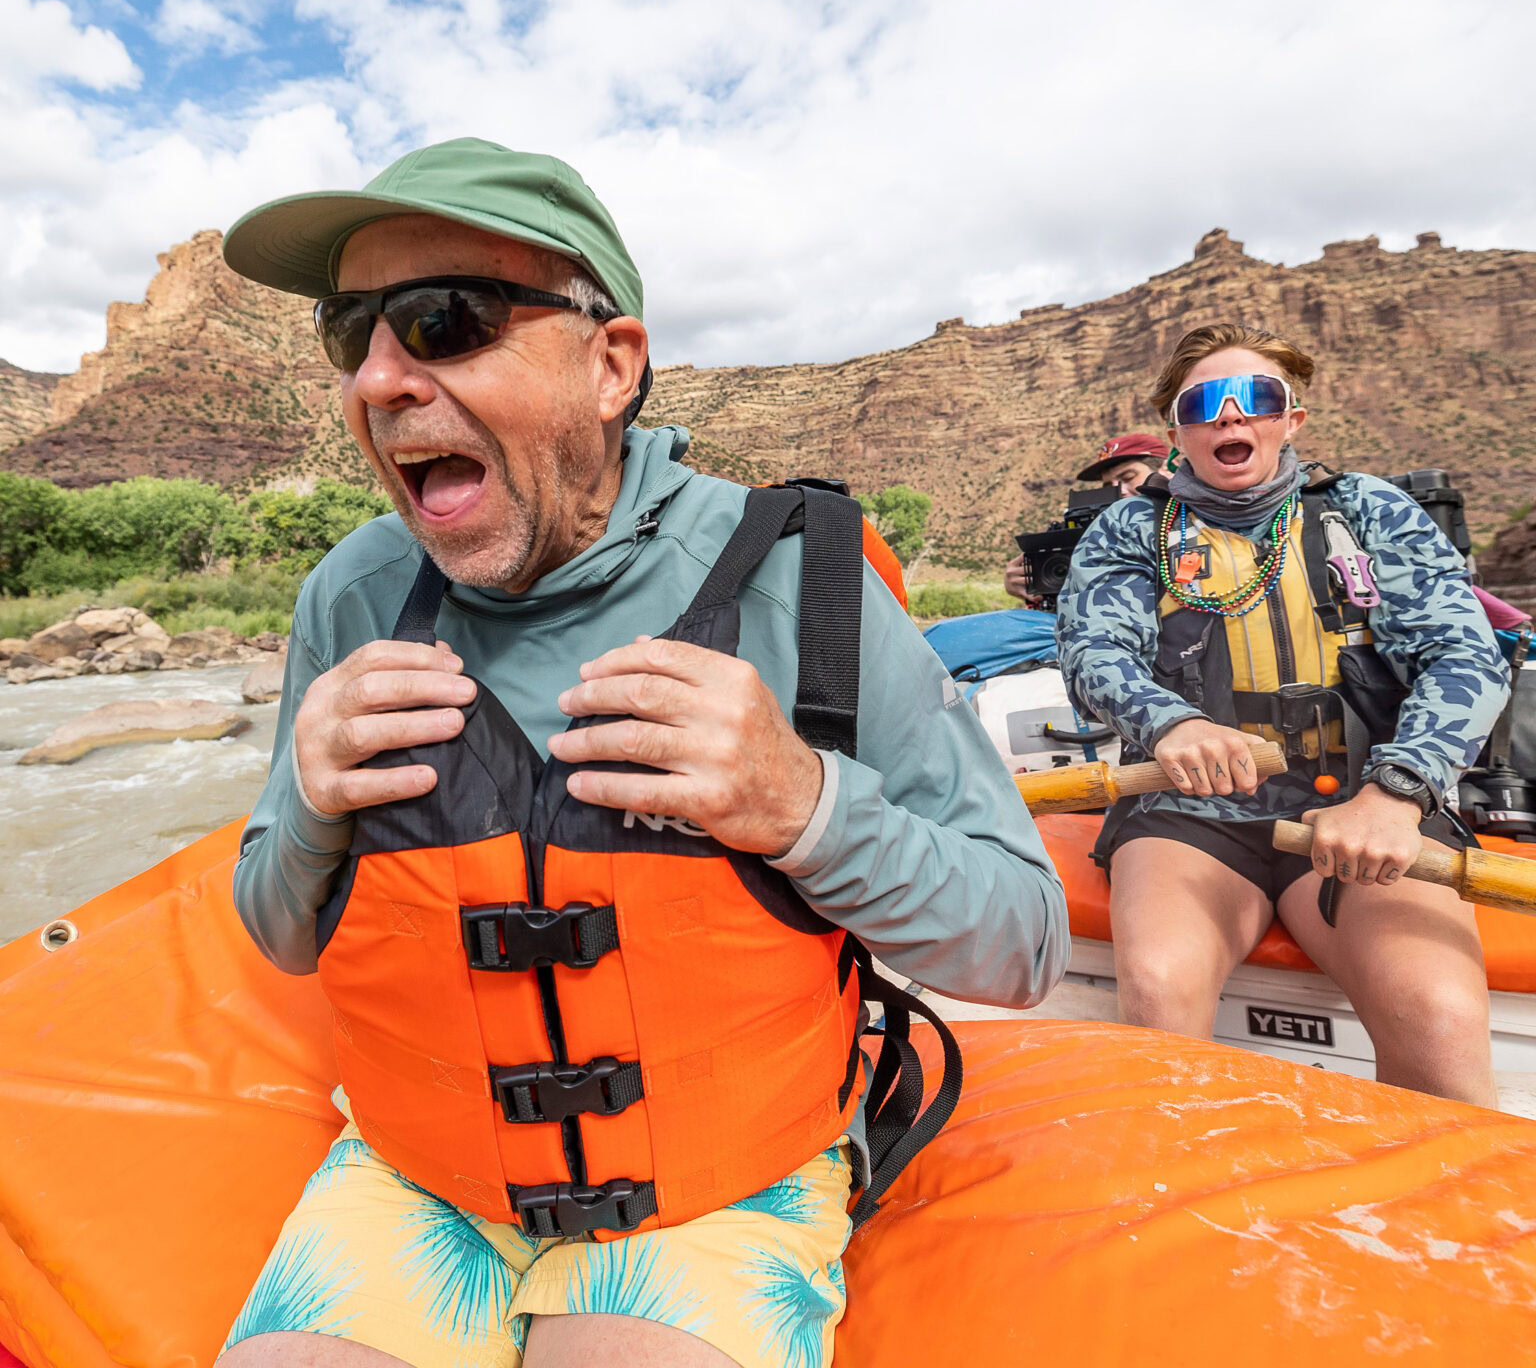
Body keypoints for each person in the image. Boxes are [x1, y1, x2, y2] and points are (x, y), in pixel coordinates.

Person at [216, 137, 1068, 1368]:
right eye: (351, 334)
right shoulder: (349, 597)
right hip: (418, 1176)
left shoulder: (803, 578)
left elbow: (1025, 942)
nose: (380, 380)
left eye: (443, 320)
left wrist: (803, 805)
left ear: (610, 364)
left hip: (726, 1185)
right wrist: (305, 805)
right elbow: (279, 931)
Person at [1057, 323, 1509, 1107]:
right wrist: (1172, 724)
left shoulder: (1367, 510)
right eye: (1205, 404)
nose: (1231, 416)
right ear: (1178, 432)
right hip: (1190, 812)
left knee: (1440, 1014)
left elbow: (1465, 657)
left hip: (1360, 806)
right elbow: (1094, 654)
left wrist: (1398, 792)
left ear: (1290, 419)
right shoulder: (1132, 529)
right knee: (1159, 987)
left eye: (1255, 398)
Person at [1003, 433, 1171, 602]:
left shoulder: (1182, 523)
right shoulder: (1094, 532)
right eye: (1107, 485)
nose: (1118, 489)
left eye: (1128, 477)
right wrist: (1030, 583)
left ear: (1166, 469)